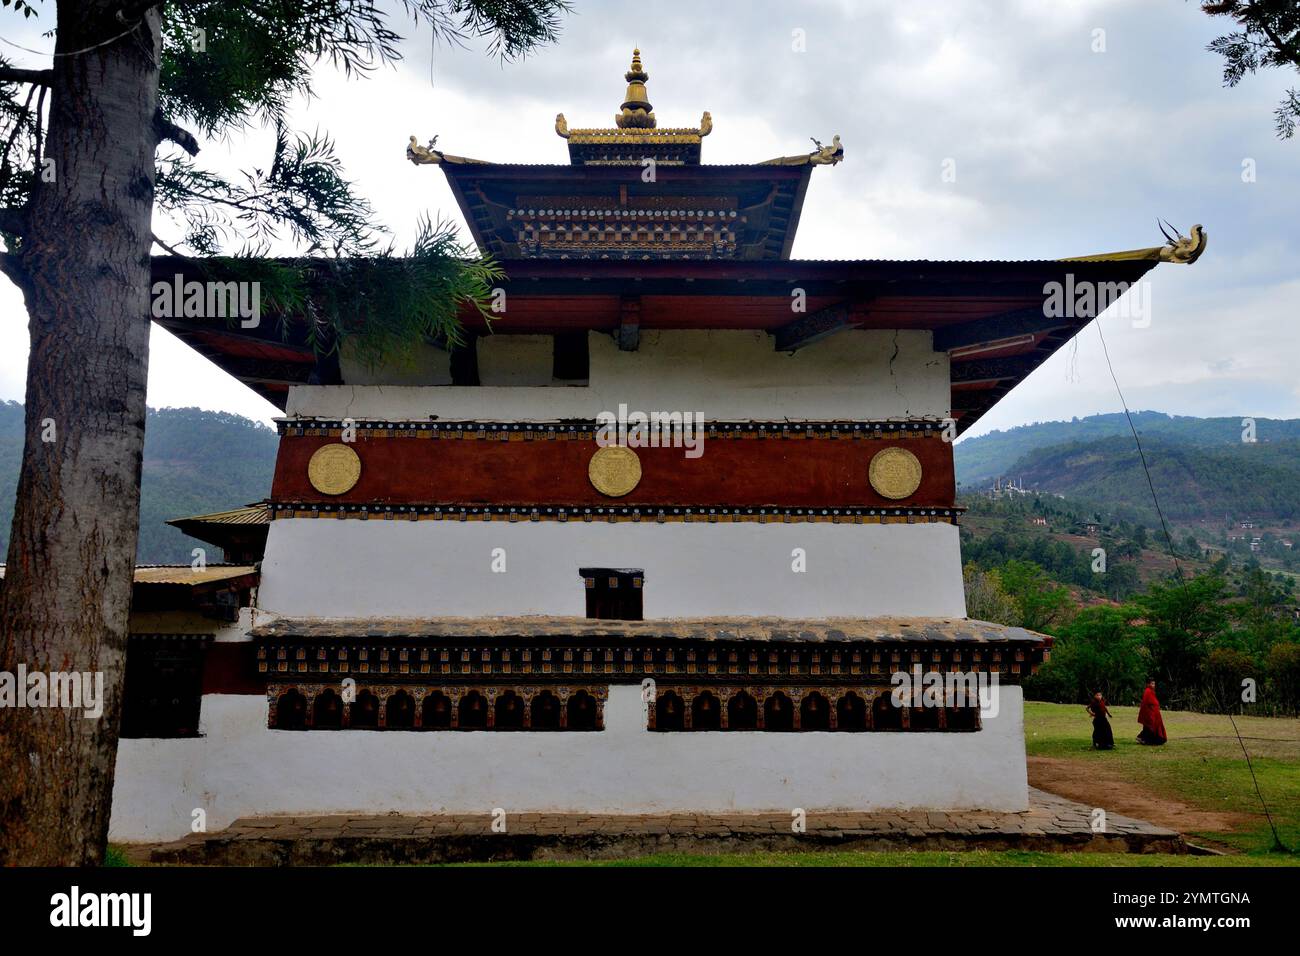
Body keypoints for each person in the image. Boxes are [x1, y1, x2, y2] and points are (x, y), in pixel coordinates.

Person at [1137, 679, 1168, 745]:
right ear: (1148, 684)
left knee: (1150, 727)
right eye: (1152, 684)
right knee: (1150, 727)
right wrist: (1150, 714)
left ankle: (1143, 738)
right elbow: (1146, 703)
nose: (1153, 685)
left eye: (1154, 684)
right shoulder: (1148, 691)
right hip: (1150, 714)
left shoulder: (1151, 691)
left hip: (1154, 713)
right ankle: (1143, 739)